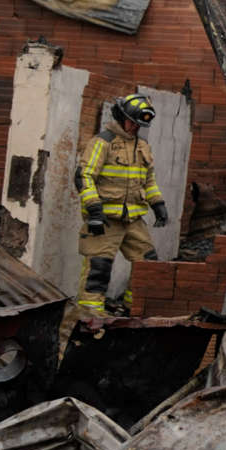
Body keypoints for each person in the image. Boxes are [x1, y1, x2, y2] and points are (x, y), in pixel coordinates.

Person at [75, 93, 167, 315]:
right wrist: (94, 210)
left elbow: (148, 181)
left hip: (133, 219)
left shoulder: (142, 146)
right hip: (105, 219)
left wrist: (158, 204)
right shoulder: (102, 142)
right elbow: (84, 176)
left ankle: (132, 308)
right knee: (99, 267)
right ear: (120, 116)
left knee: (147, 264)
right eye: (132, 122)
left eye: (140, 125)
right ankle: (90, 316)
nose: (135, 128)